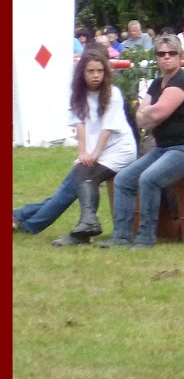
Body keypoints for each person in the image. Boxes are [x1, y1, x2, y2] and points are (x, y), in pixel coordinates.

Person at [14, 46, 135, 241]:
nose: (96, 75)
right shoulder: (78, 95)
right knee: (67, 189)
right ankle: (22, 219)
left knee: (80, 177)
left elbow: (108, 128)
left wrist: (93, 154)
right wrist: (82, 152)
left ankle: (27, 223)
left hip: (119, 149)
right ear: (82, 73)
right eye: (90, 71)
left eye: (100, 71)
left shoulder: (113, 93)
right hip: (96, 149)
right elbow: (81, 126)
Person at [100, 36, 184, 249]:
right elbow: (140, 119)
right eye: (161, 54)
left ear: (180, 56)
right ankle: (121, 237)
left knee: (149, 179)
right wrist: (147, 113)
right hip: (164, 148)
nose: (166, 57)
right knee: (123, 179)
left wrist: (148, 112)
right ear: (156, 58)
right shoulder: (157, 84)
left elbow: (158, 113)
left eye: (172, 53)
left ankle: (145, 238)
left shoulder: (182, 82)